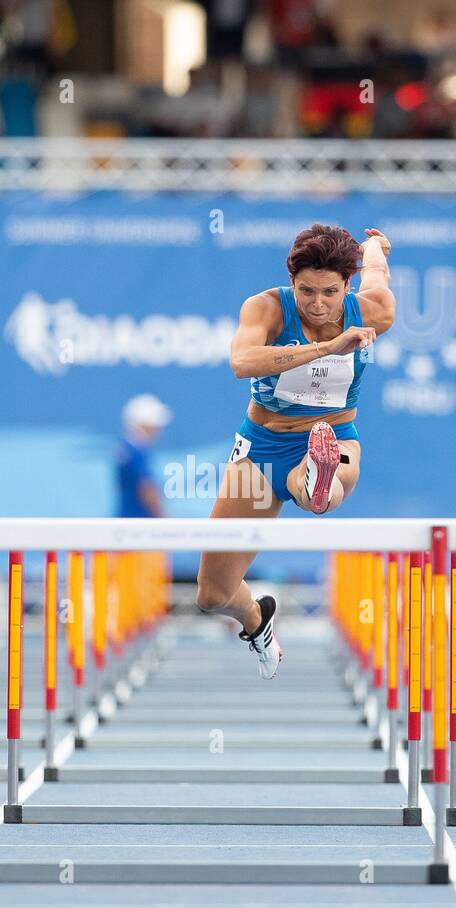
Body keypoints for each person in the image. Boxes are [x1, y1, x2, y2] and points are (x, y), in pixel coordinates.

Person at [195, 224, 394, 678]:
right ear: (291, 282)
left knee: (320, 486)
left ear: (348, 285)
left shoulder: (373, 309)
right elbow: (242, 362)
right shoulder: (265, 308)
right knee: (211, 594)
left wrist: (374, 248)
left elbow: (378, 273)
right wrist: (326, 347)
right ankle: (257, 619)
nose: (318, 304)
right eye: (306, 291)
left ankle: (316, 482)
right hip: (262, 446)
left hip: (334, 437)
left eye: (330, 292)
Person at [116, 394, 171, 518]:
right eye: (155, 425)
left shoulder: (127, 449)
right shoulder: (136, 452)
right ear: (143, 424)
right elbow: (146, 489)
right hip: (137, 525)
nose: (159, 429)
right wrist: (165, 519)